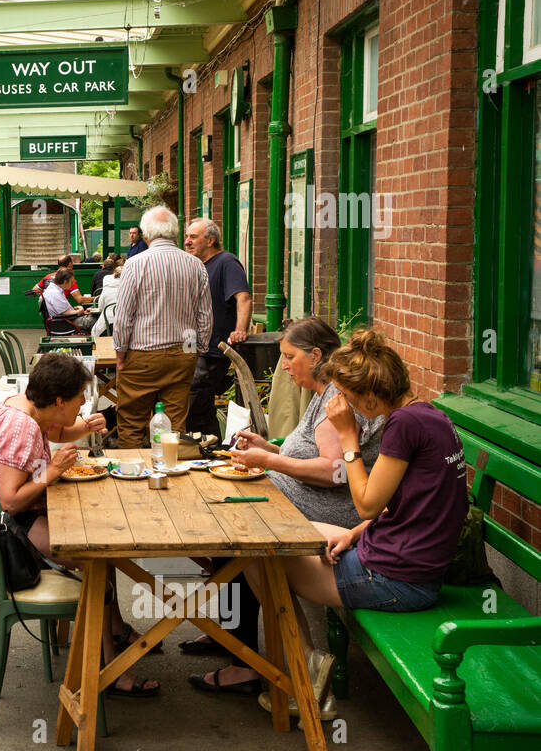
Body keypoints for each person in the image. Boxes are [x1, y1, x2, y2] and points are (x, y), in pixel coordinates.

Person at [235, 329, 469, 718]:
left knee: (259, 558)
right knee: (287, 537)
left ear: (371, 396)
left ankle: (306, 676)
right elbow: (400, 507)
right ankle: (308, 670)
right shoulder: (430, 415)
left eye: (347, 397)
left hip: (399, 578)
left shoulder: (402, 426)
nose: (342, 404)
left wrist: (347, 436)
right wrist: (357, 535)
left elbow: (365, 504)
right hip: (403, 558)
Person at [185, 317, 383, 698]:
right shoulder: (325, 393)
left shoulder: (336, 402)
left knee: (237, 522)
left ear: (317, 355)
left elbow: (337, 471)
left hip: (338, 512)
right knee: (235, 520)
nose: (284, 366)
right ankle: (232, 641)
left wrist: (267, 461)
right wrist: (269, 446)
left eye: (290, 357)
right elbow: (312, 455)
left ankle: (242, 657)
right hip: (313, 498)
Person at [0, 354, 158, 696]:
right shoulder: (22, 427)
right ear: (60, 401)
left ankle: (114, 632)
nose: (83, 403)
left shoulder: (23, 406)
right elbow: (10, 500)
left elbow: (59, 428)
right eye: (79, 398)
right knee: (94, 558)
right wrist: (54, 471)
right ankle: (107, 671)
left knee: (95, 545)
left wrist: (82, 428)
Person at [112, 206, 212, 448]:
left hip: (143, 354)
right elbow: (205, 315)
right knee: (175, 425)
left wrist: (120, 353)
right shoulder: (196, 265)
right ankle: (174, 473)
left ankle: (133, 477)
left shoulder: (135, 265)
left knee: (132, 423)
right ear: (175, 234)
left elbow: (124, 316)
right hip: (183, 353)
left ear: (146, 235)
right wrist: (199, 349)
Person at [184, 219, 253, 439]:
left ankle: (204, 447)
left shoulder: (226, 261)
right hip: (196, 348)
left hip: (215, 349)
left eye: (193, 237)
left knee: (193, 401)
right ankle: (213, 448)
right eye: (187, 236)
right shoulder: (199, 265)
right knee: (202, 407)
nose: (187, 242)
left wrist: (240, 330)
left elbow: (243, 297)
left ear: (211, 240)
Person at [43, 268, 93, 333]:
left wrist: (79, 311)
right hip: (67, 323)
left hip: (66, 320)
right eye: (72, 281)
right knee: (96, 320)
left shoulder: (54, 290)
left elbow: (64, 311)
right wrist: (80, 311)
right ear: (65, 282)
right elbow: (66, 314)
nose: (73, 283)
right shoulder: (55, 293)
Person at [90, 263, 121, 339]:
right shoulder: (128, 288)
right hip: (126, 325)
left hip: (108, 324)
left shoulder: (107, 287)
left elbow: (100, 307)